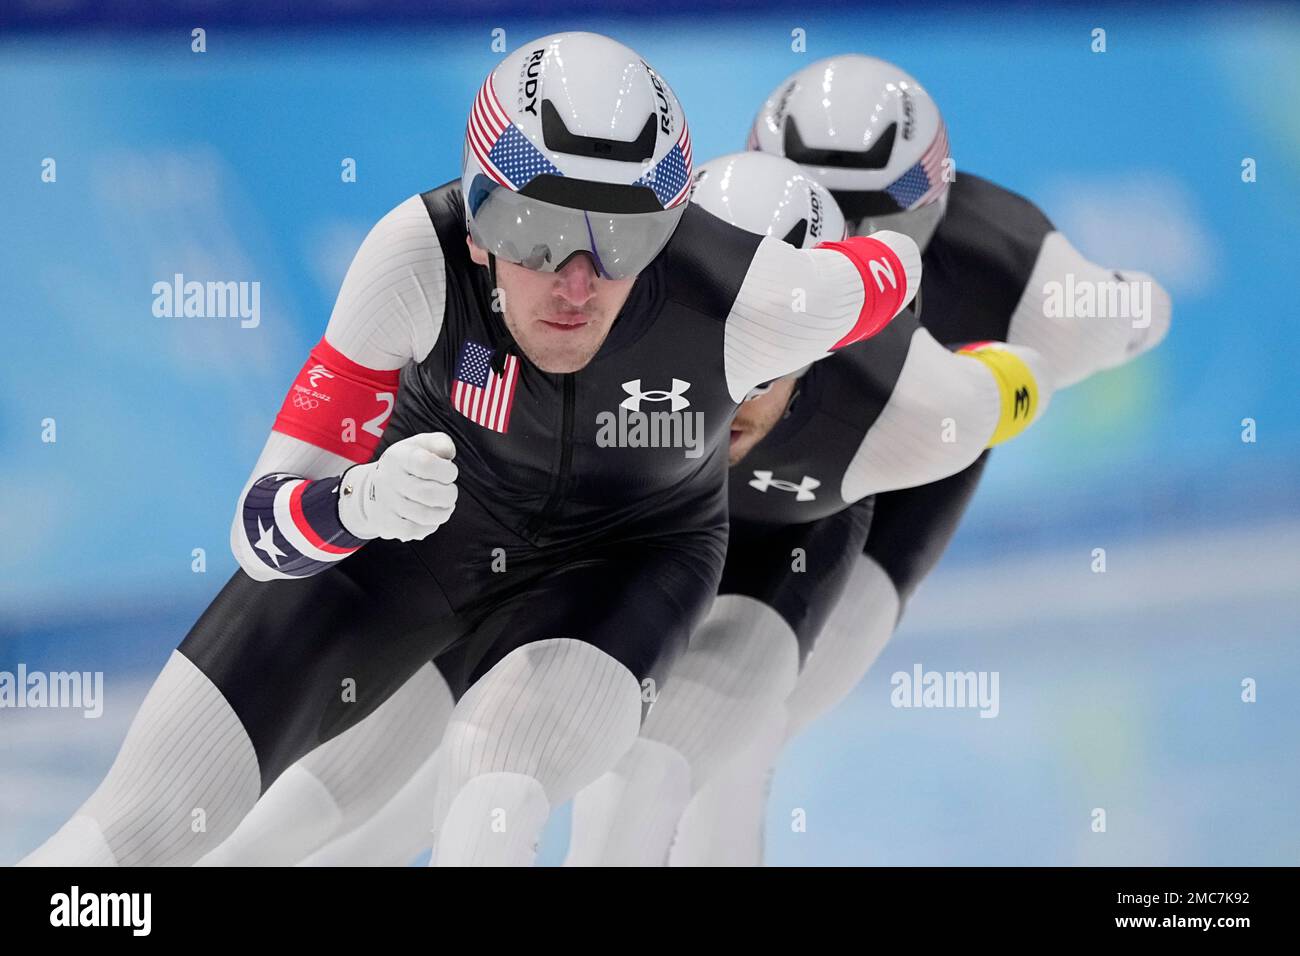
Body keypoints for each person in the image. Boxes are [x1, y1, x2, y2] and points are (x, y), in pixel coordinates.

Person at [19, 33, 943, 867]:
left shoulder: (753, 298)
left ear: (668, 233)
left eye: (620, 237)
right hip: (415, 541)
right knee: (130, 838)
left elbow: (884, 271)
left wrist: (899, 274)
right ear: (476, 213)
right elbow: (258, 528)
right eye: (533, 230)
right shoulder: (413, 260)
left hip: (626, 563)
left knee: (491, 782)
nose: (575, 282)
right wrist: (352, 506)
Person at [198, 150, 1063, 867]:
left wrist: (1019, 356)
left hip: (776, 559)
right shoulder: (600, 324)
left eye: (765, 366)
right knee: (429, 784)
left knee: (660, 775)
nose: (735, 397)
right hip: (609, 548)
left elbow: (1016, 384)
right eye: (717, 347)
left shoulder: (904, 403)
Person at [566, 56, 1171, 866]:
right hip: (729, 477)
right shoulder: (706, 230)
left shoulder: (1010, 269)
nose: (837, 257)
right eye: (804, 223)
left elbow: (1124, 315)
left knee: (746, 729)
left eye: (870, 228)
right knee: (635, 740)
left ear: (935, 209)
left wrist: (1098, 323)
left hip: (881, 474)